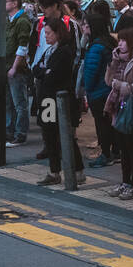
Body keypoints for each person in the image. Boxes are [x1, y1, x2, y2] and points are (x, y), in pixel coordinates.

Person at [34, 18, 84, 185]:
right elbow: (37, 69)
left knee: (63, 136)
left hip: (57, 99)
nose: (46, 36)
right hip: (47, 99)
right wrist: (44, 71)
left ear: (58, 33)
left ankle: (76, 170)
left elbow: (52, 76)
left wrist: (45, 71)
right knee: (50, 135)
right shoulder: (50, 50)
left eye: (48, 33)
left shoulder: (63, 52)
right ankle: (54, 171)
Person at [103, 26, 133, 199]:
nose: (120, 44)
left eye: (123, 41)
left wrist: (119, 85)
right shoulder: (119, 60)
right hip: (118, 108)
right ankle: (124, 182)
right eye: (119, 40)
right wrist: (114, 62)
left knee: (132, 148)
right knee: (123, 147)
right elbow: (108, 80)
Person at [82, 12, 117, 167]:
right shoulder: (109, 42)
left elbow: (90, 71)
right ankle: (115, 151)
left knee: (102, 124)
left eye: (87, 26)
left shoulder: (96, 47)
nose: (84, 29)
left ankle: (106, 154)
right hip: (109, 89)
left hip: (98, 91)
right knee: (110, 123)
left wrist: (86, 88)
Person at [4, 0, 32, 147]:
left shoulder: (21, 21)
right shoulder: (10, 21)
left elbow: (23, 45)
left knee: (19, 102)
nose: (4, 4)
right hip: (8, 67)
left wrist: (15, 67)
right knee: (10, 102)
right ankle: (10, 131)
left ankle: (20, 134)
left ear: (14, 3)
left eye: (6, 1)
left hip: (16, 69)